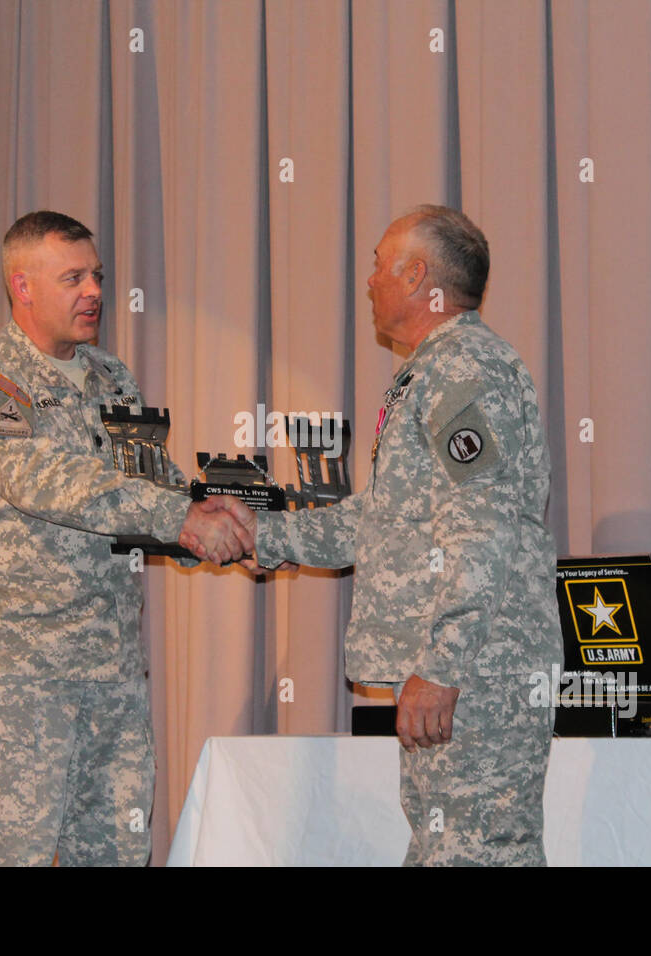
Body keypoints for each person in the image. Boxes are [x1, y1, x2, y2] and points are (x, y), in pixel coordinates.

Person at [237, 205, 563, 865]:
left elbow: (484, 523)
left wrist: (444, 666)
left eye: (380, 263)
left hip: (479, 674)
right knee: (450, 851)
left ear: (417, 276)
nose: (370, 280)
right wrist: (257, 533)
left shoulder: (462, 367)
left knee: (474, 855)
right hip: (467, 672)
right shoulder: (429, 371)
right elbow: (381, 519)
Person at [0, 210, 251, 866]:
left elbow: (147, 478)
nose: (93, 291)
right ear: (23, 288)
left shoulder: (111, 377)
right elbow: (44, 481)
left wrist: (207, 504)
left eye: (96, 275)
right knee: (13, 856)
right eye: (72, 277)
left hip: (113, 669)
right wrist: (178, 519)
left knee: (116, 855)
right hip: (25, 671)